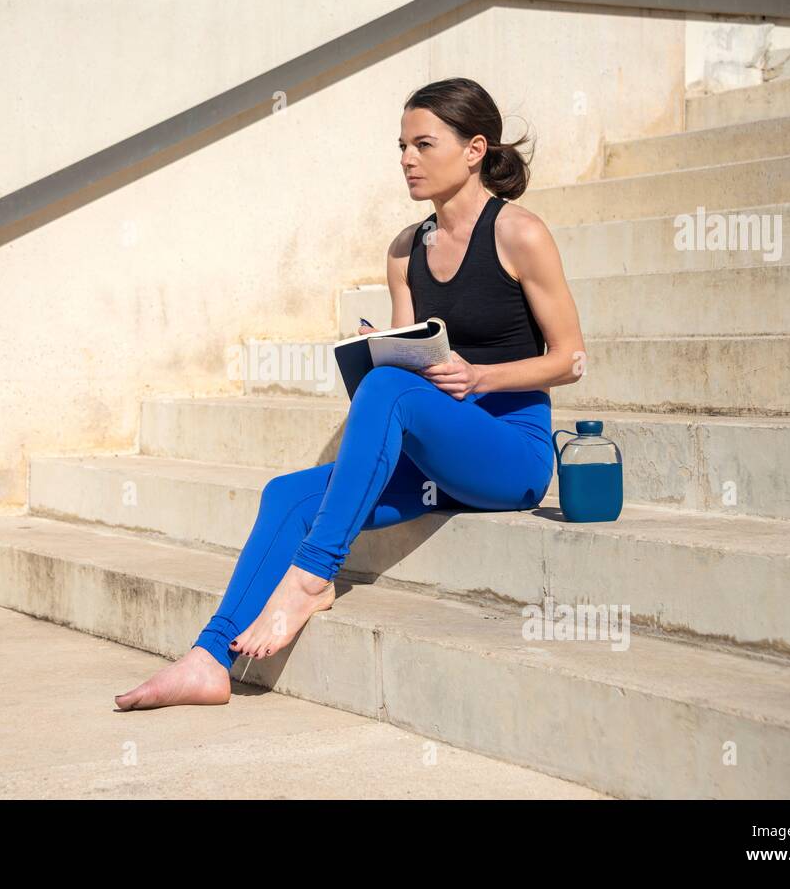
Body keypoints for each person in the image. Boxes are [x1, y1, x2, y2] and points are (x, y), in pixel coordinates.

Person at [115, 77, 586, 711]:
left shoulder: (519, 234)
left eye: (423, 144)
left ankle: (312, 577)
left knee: (390, 390)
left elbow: (571, 359)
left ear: (475, 149)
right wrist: (386, 349)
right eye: (401, 146)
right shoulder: (404, 249)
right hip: (434, 459)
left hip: (510, 453)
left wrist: (481, 377)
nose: (406, 160)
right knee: (287, 493)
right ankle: (209, 658)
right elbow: (411, 369)